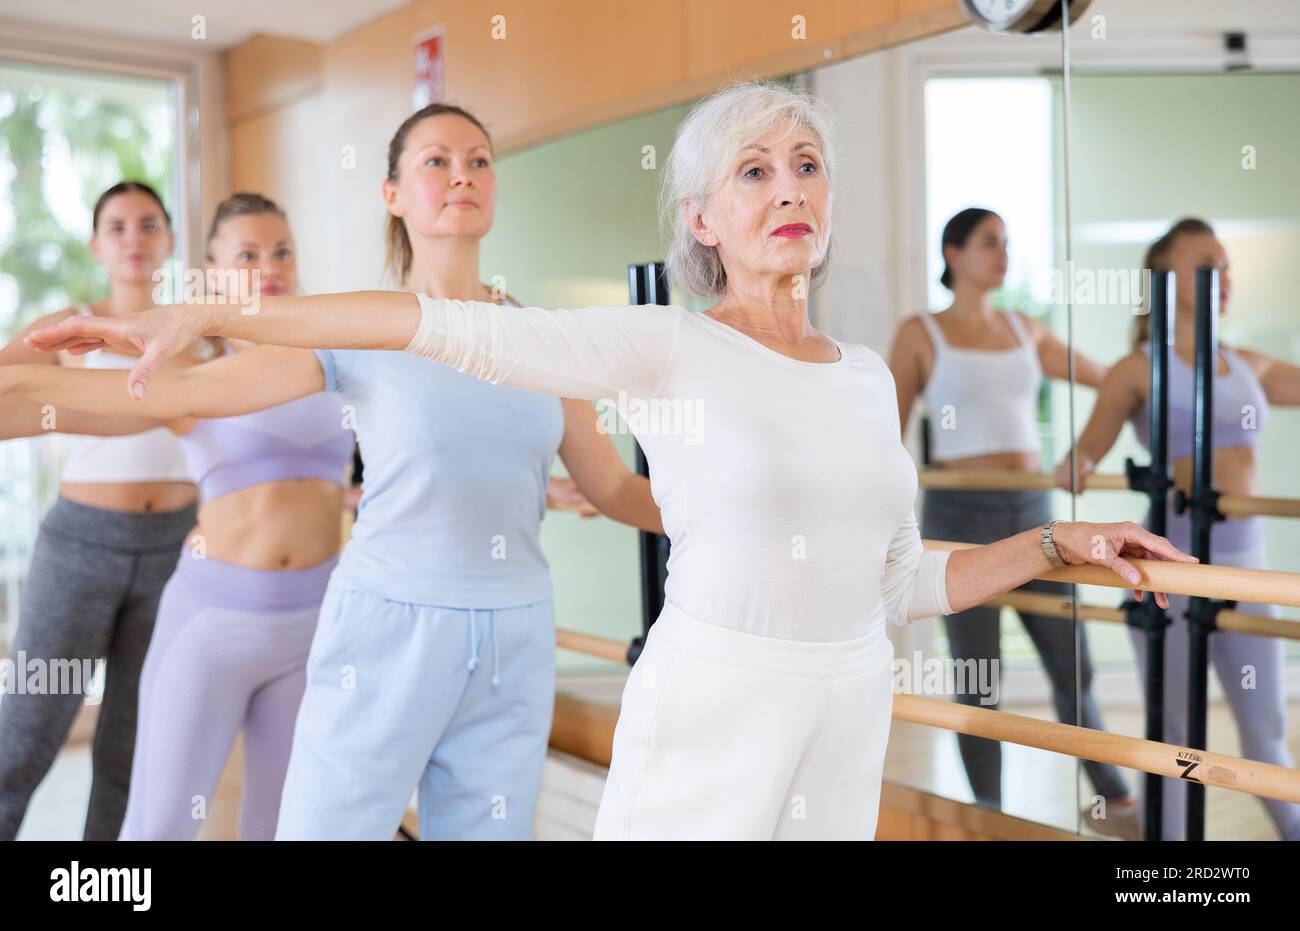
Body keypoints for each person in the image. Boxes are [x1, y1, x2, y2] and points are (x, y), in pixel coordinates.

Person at [27, 82, 1193, 841]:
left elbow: (889, 576)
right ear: (699, 218)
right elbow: (419, 327)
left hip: (835, 704)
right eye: (753, 171)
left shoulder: (861, 375)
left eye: (806, 164)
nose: (788, 185)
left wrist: (1054, 543)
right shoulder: (656, 342)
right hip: (668, 697)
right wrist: (202, 315)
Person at [21, 104, 662, 841]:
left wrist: (733, 515)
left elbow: (612, 487)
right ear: (391, 194)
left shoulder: (543, 340)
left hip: (515, 629)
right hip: (374, 617)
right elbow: (182, 392)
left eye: (479, 160)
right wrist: (63, 376)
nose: (463, 174)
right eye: (436, 161)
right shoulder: (357, 326)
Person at [3, 192, 355, 839]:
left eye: (281, 251)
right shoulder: (193, 374)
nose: (268, 266)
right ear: (211, 272)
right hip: (193, 607)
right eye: (246, 254)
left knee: (277, 822)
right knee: (144, 814)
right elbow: (54, 401)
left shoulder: (338, 367)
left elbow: (372, 468)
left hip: (309, 620)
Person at [889, 207, 1138, 839]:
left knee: (1071, 666)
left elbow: (1113, 382)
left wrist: (1087, 449)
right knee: (979, 682)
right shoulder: (920, 332)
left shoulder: (1026, 328)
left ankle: (1115, 800)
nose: (1003, 254)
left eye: (1006, 243)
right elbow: (883, 434)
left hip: (1032, 511)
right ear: (953, 252)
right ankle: (991, 820)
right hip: (958, 514)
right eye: (989, 242)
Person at [1054, 217, 1300, 841]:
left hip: (1248, 573)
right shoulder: (1137, 370)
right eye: (1205, 264)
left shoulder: (1247, 364)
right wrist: (1070, 471)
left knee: (1264, 728)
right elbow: (1082, 461)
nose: (1223, 278)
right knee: (1175, 740)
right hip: (1169, 573)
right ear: (1166, 278)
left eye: (1226, 266)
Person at [0, 182, 199, 841]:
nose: (134, 239)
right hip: (81, 544)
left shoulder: (197, 332)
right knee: (27, 729)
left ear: (169, 238)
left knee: (133, 743)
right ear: (97, 244)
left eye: (148, 225)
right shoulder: (67, 326)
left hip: (177, 548)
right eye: (117, 227)